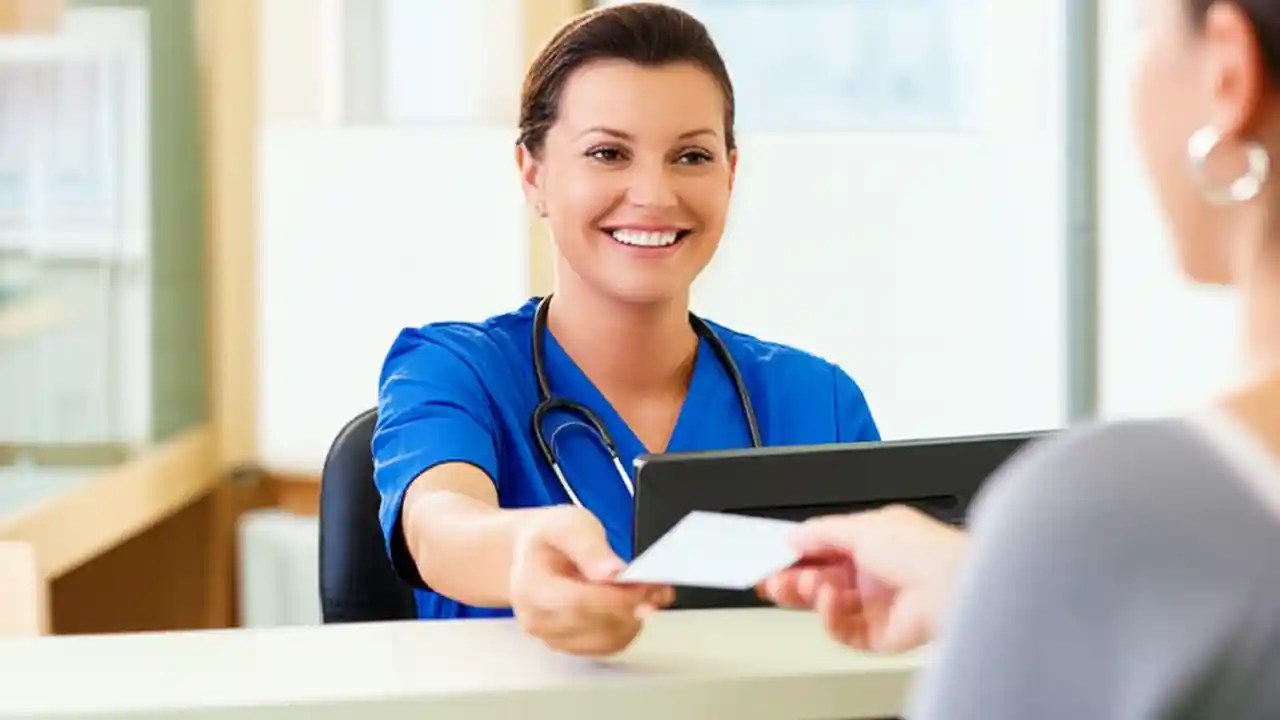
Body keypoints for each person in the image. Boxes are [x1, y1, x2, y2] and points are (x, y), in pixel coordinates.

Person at [761, 0, 1280, 716]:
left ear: (1228, 69)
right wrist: (999, 583)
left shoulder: (1115, 505)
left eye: (1142, 27)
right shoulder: (1120, 534)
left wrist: (1040, 570)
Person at [371, 2, 880, 656]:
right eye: (608, 153)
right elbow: (440, 526)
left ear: (731, 171)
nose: (654, 193)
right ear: (534, 175)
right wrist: (525, 550)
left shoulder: (819, 402)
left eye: (691, 156)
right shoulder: (452, 369)